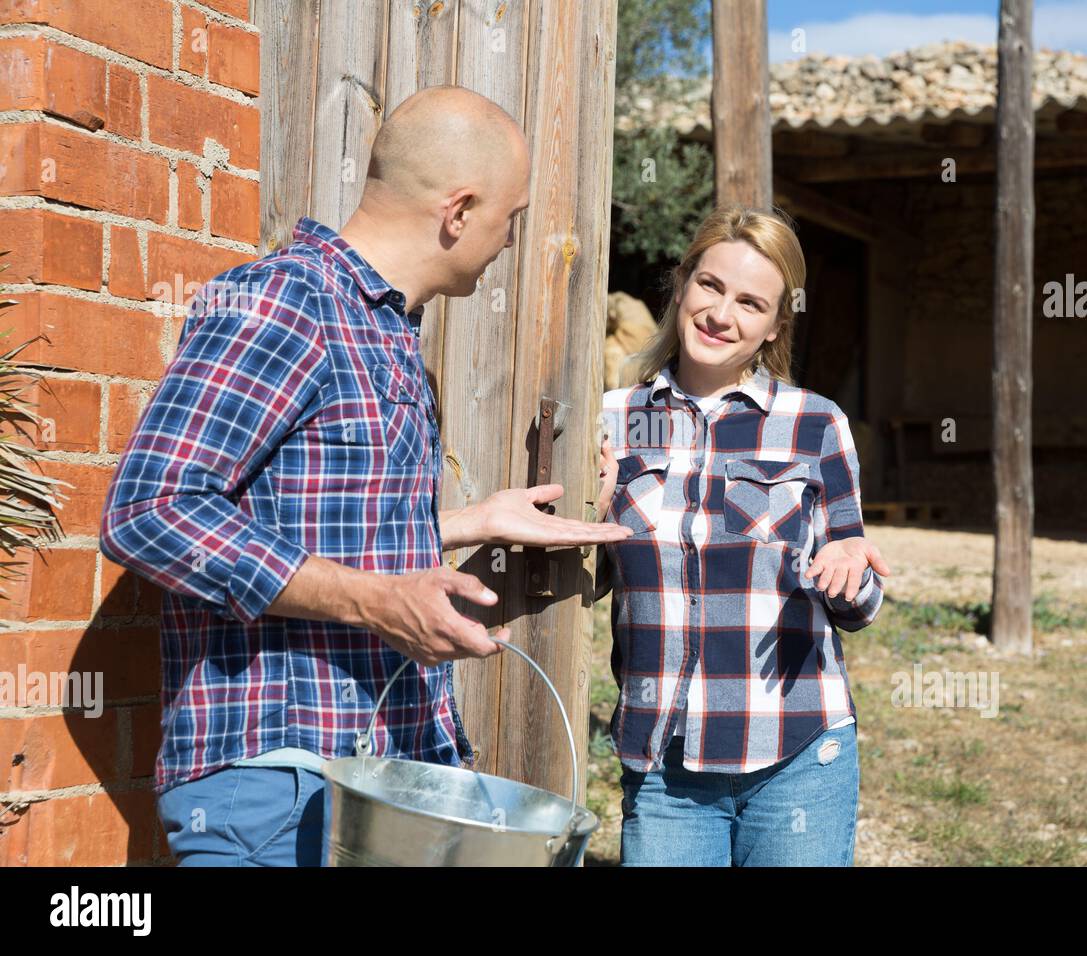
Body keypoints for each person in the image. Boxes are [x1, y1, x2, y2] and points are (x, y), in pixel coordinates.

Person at [99, 85, 631, 866]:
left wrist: (465, 522)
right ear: (458, 210)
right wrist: (376, 599)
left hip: (377, 783)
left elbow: (307, 515)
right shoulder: (286, 300)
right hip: (279, 792)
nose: (509, 241)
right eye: (508, 220)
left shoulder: (383, 330)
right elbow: (150, 510)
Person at [595, 204, 891, 866]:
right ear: (681, 285)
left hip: (798, 759)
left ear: (773, 325)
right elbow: (585, 576)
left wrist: (848, 569)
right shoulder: (615, 420)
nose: (721, 314)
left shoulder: (815, 425)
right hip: (665, 765)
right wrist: (593, 505)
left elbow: (861, 601)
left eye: (750, 303)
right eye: (710, 285)